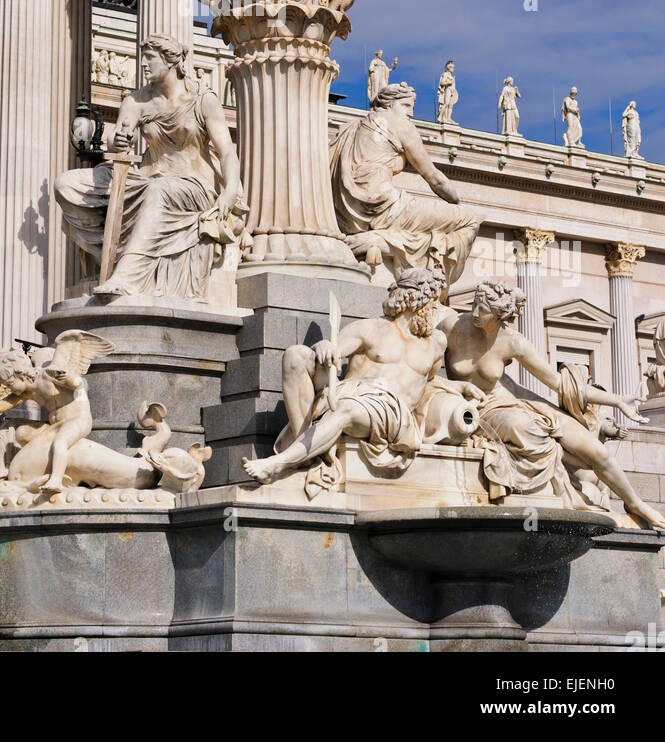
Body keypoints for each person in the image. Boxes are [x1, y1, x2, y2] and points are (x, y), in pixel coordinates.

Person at [440, 280, 665, 529]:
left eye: (483, 310)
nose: (474, 313)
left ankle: (634, 503)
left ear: (500, 315)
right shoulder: (453, 325)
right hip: (486, 408)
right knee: (528, 429)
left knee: (596, 451)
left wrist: (617, 400)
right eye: (475, 305)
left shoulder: (513, 342)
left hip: (521, 400)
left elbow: (559, 383)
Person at [242, 269, 475, 488]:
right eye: (432, 303)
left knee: (346, 409)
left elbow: (430, 382)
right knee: (297, 355)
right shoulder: (370, 328)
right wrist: (323, 346)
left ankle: (279, 463)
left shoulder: (437, 342)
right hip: (352, 392)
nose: (435, 311)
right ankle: (301, 449)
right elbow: (333, 350)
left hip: (392, 412)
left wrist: (460, 386)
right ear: (414, 300)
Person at [58, 35, 244, 301]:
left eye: (149, 58)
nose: (143, 64)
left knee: (160, 190)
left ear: (170, 61)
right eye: (143, 57)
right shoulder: (136, 101)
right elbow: (117, 136)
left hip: (192, 184)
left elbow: (227, 152)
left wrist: (230, 192)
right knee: (66, 184)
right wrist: (118, 140)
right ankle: (116, 252)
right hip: (146, 176)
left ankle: (127, 276)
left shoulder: (202, 100)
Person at [330, 82, 479, 285]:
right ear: (390, 104)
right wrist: (456, 201)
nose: (411, 113)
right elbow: (434, 177)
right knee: (469, 220)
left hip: (348, 214)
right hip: (384, 207)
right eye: (406, 106)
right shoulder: (399, 124)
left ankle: (381, 241)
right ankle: (383, 242)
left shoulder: (351, 126)